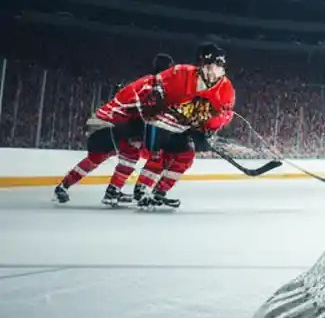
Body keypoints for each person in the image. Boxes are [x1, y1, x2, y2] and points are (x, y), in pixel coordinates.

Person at [54, 52, 173, 206]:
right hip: (115, 124)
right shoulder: (154, 87)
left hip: (106, 122)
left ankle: (64, 186)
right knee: (129, 155)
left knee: (99, 157)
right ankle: (112, 191)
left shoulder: (147, 82)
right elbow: (141, 111)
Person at [133, 43, 236, 209]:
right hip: (164, 119)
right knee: (158, 155)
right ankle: (142, 190)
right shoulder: (181, 73)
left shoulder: (226, 89)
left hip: (186, 127)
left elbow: (224, 115)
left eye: (217, 66)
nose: (212, 71)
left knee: (185, 156)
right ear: (201, 65)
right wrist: (155, 96)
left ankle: (159, 192)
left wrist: (209, 128)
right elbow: (155, 84)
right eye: (208, 66)